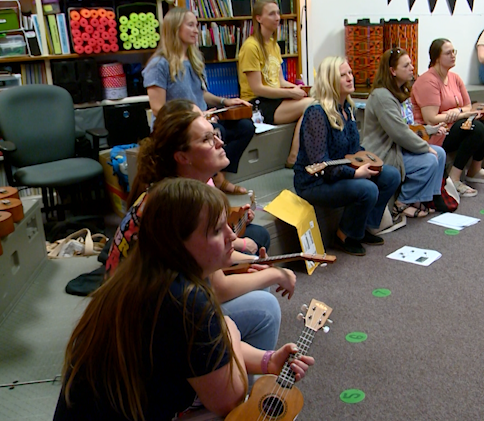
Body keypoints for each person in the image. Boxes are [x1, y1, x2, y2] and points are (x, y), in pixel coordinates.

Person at [54, 178, 314, 420]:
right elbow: (228, 399)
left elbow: (206, 354)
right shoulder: (187, 301)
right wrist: (230, 332)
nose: (232, 236)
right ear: (180, 244)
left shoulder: (146, 275)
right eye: (216, 231)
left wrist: (268, 360)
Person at [107, 99, 296, 355]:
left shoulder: (177, 188)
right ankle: (237, 387)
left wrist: (252, 263)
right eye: (207, 139)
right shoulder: (182, 204)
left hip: (151, 308)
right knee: (265, 306)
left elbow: (212, 262)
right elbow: (218, 288)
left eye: (214, 134)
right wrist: (276, 273)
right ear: (182, 157)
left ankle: (233, 368)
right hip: (141, 329)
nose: (220, 142)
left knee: (253, 273)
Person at [294, 56, 401, 256]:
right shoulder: (316, 113)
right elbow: (320, 163)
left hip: (342, 171)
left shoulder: (348, 108)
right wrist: (354, 174)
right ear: (330, 80)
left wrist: (367, 163)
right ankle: (344, 235)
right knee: (367, 188)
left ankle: (364, 228)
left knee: (391, 176)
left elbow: (354, 149)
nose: (350, 78)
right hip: (315, 183)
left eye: (350, 73)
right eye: (343, 75)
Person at [144, 6, 254, 195]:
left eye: (197, 25)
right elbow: (157, 108)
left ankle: (218, 177)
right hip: (179, 128)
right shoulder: (159, 64)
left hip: (204, 120)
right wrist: (196, 117)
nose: (196, 30)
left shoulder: (194, 59)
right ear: (175, 28)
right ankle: (215, 180)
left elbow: (201, 94)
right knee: (215, 135)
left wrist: (224, 102)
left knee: (245, 127)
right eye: (191, 25)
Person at [362, 47, 447, 219]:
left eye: (411, 64)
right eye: (406, 65)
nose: (412, 68)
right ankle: (402, 202)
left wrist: (431, 129)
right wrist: (424, 147)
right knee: (430, 158)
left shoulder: (400, 92)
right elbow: (399, 132)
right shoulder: (382, 96)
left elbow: (407, 125)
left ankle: (425, 198)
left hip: (398, 148)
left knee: (441, 153)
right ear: (392, 71)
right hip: (384, 152)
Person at [412, 38, 484, 198]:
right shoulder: (427, 81)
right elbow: (431, 118)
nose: (453, 55)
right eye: (448, 53)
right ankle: (454, 178)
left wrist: (456, 111)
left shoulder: (455, 78)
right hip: (434, 132)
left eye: (454, 52)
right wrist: (459, 114)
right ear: (437, 57)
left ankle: (475, 170)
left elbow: (467, 106)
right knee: (477, 128)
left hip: (453, 124)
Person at [237, 0, 314, 168]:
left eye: (278, 13)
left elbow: (279, 81)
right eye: (271, 14)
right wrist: (290, 93)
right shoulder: (251, 47)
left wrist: (294, 88)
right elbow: (257, 88)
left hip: (274, 99)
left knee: (314, 102)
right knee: (312, 105)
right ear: (258, 18)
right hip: (256, 104)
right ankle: (294, 156)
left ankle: (302, 154)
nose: (277, 17)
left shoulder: (274, 45)